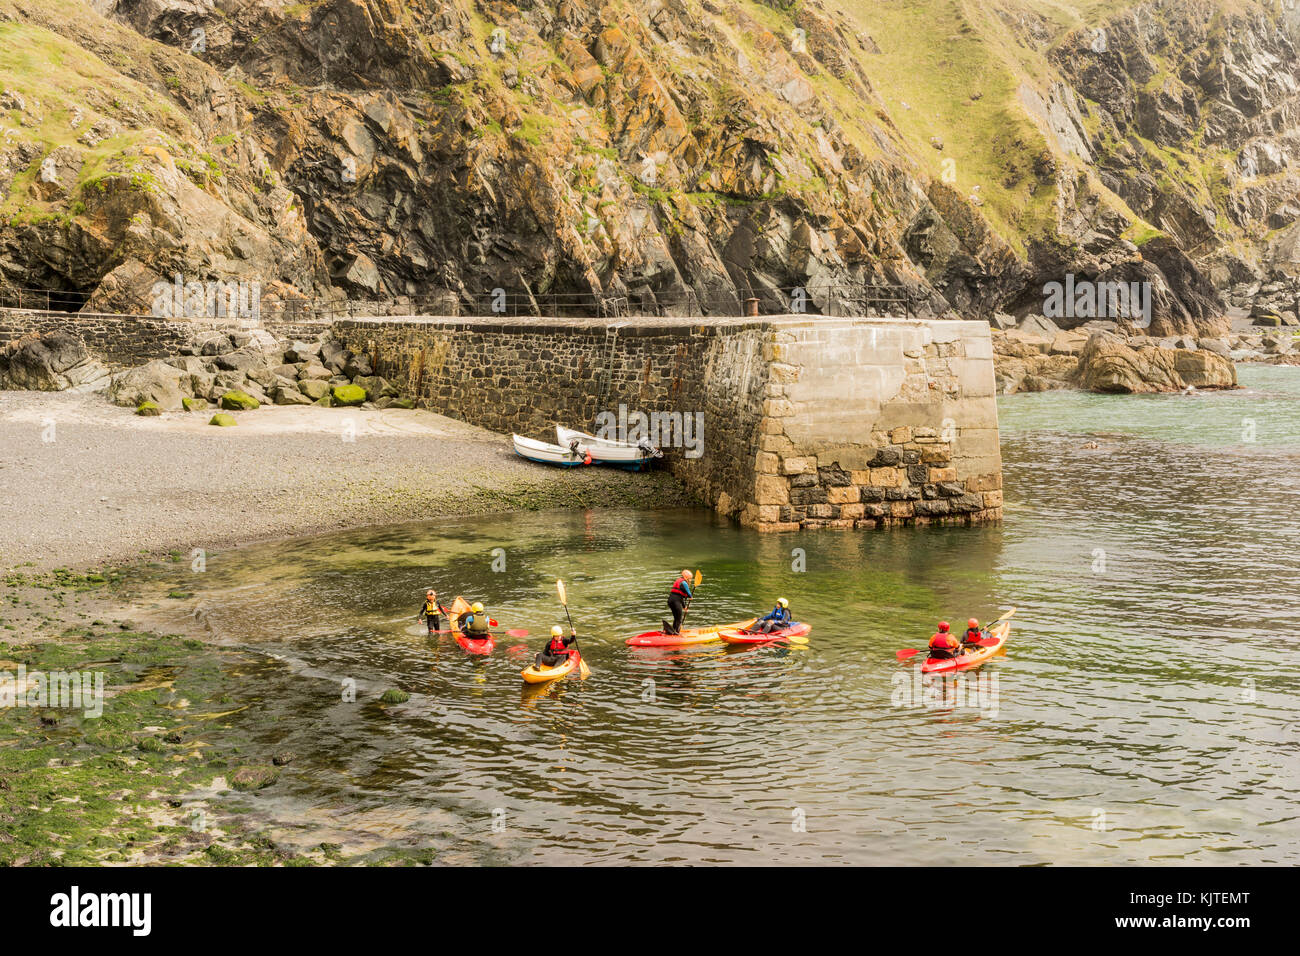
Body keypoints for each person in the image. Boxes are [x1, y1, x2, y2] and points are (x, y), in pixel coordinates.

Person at [663, 569, 693, 635]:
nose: (690, 580)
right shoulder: (684, 583)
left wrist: (684, 607)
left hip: (670, 601)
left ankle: (673, 631)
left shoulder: (679, 580)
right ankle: (677, 633)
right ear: (686, 577)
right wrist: (690, 596)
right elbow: (688, 593)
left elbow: (679, 596)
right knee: (679, 618)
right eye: (690, 578)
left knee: (676, 617)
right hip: (676, 601)